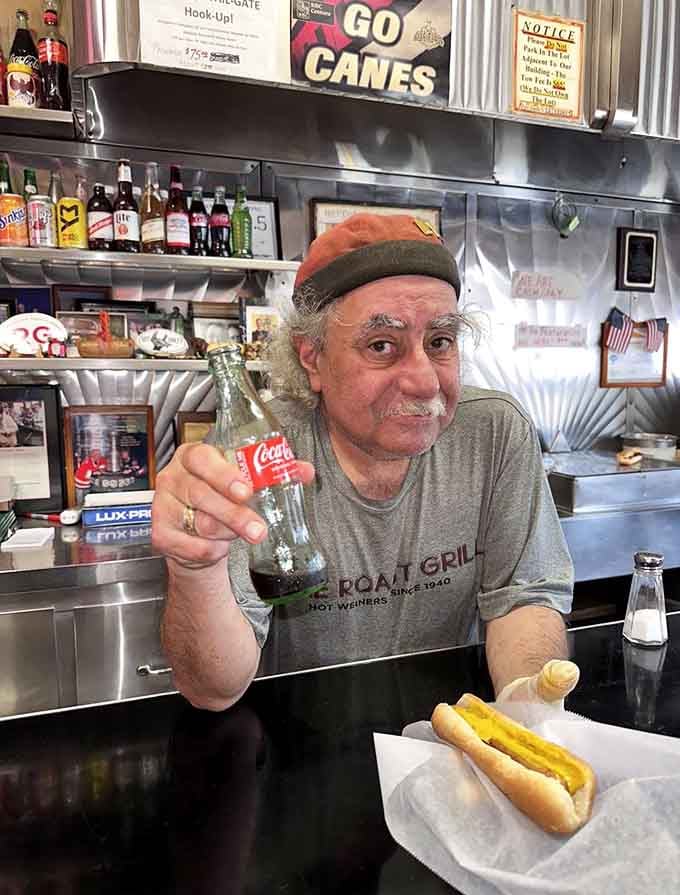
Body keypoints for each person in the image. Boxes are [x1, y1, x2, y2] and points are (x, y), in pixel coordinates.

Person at [152, 214, 575, 711]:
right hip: (303, 751)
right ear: (312, 358)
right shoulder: (263, 451)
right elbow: (212, 689)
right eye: (381, 345)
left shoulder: (493, 431)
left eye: (440, 342)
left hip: (451, 745)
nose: (424, 381)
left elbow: (522, 599)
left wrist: (527, 713)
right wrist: (194, 566)